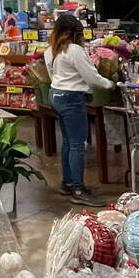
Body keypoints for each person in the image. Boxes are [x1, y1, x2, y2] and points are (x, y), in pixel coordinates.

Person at [43, 12, 113, 202]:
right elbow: (91, 77)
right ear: (74, 33)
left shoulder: (50, 50)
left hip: (55, 95)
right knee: (77, 145)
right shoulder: (73, 50)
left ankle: (67, 183)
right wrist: (111, 84)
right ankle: (79, 189)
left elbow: (52, 75)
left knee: (67, 142)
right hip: (71, 98)